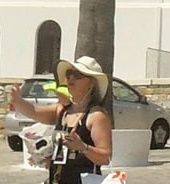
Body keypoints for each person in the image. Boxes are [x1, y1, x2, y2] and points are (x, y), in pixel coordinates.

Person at [8, 55, 113, 184]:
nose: (71, 78)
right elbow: (34, 111)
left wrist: (83, 147)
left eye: (78, 75)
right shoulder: (62, 111)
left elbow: (105, 157)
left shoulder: (96, 116)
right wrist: (18, 101)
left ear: (91, 83)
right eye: (69, 74)